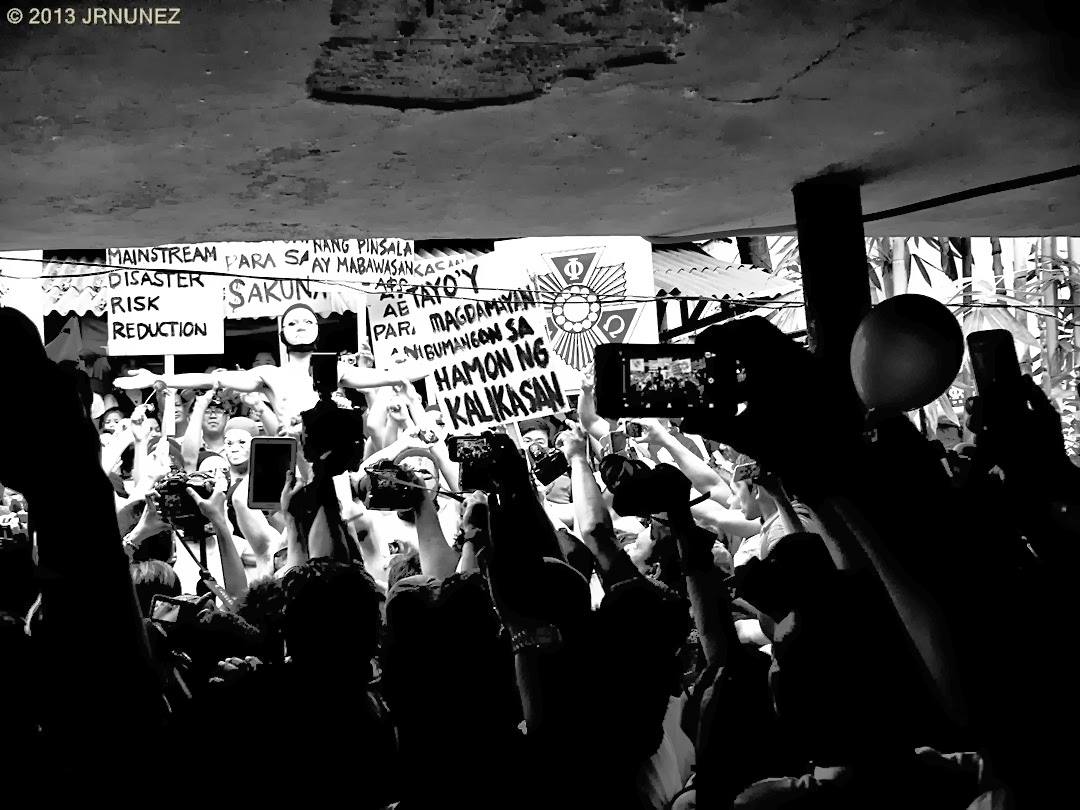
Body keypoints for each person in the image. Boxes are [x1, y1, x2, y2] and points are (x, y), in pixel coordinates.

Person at [115, 302, 431, 432]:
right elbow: (213, 379)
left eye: (308, 321)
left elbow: (386, 377)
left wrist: (430, 365)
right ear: (282, 333)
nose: (301, 326)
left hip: (330, 461)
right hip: (289, 461)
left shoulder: (332, 369)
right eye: (292, 322)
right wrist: (158, 377)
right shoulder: (271, 374)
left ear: (318, 330)